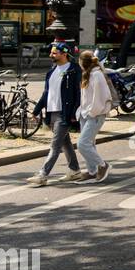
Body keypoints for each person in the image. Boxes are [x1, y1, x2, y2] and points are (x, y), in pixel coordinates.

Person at [27, 42, 85, 187]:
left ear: (64, 54)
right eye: (51, 52)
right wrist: (36, 110)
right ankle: (75, 170)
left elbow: (78, 94)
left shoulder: (74, 70)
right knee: (65, 143)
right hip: (52, 112)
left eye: (54, 53)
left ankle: (42, 175)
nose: (51, 55)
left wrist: (73, 113)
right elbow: (46, 93)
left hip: (64, 113)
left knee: (55, 145)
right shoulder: (52, 71)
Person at [76, 49, 114, 182]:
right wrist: (82, 112)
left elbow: (101, 97)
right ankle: (92, 171)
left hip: (95, 114)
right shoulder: (87, 73)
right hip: (85, 114)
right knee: (89, 144)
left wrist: (92, 112)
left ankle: (103, 165)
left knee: (82, 144)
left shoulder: (97, 75)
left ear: (82, 62)